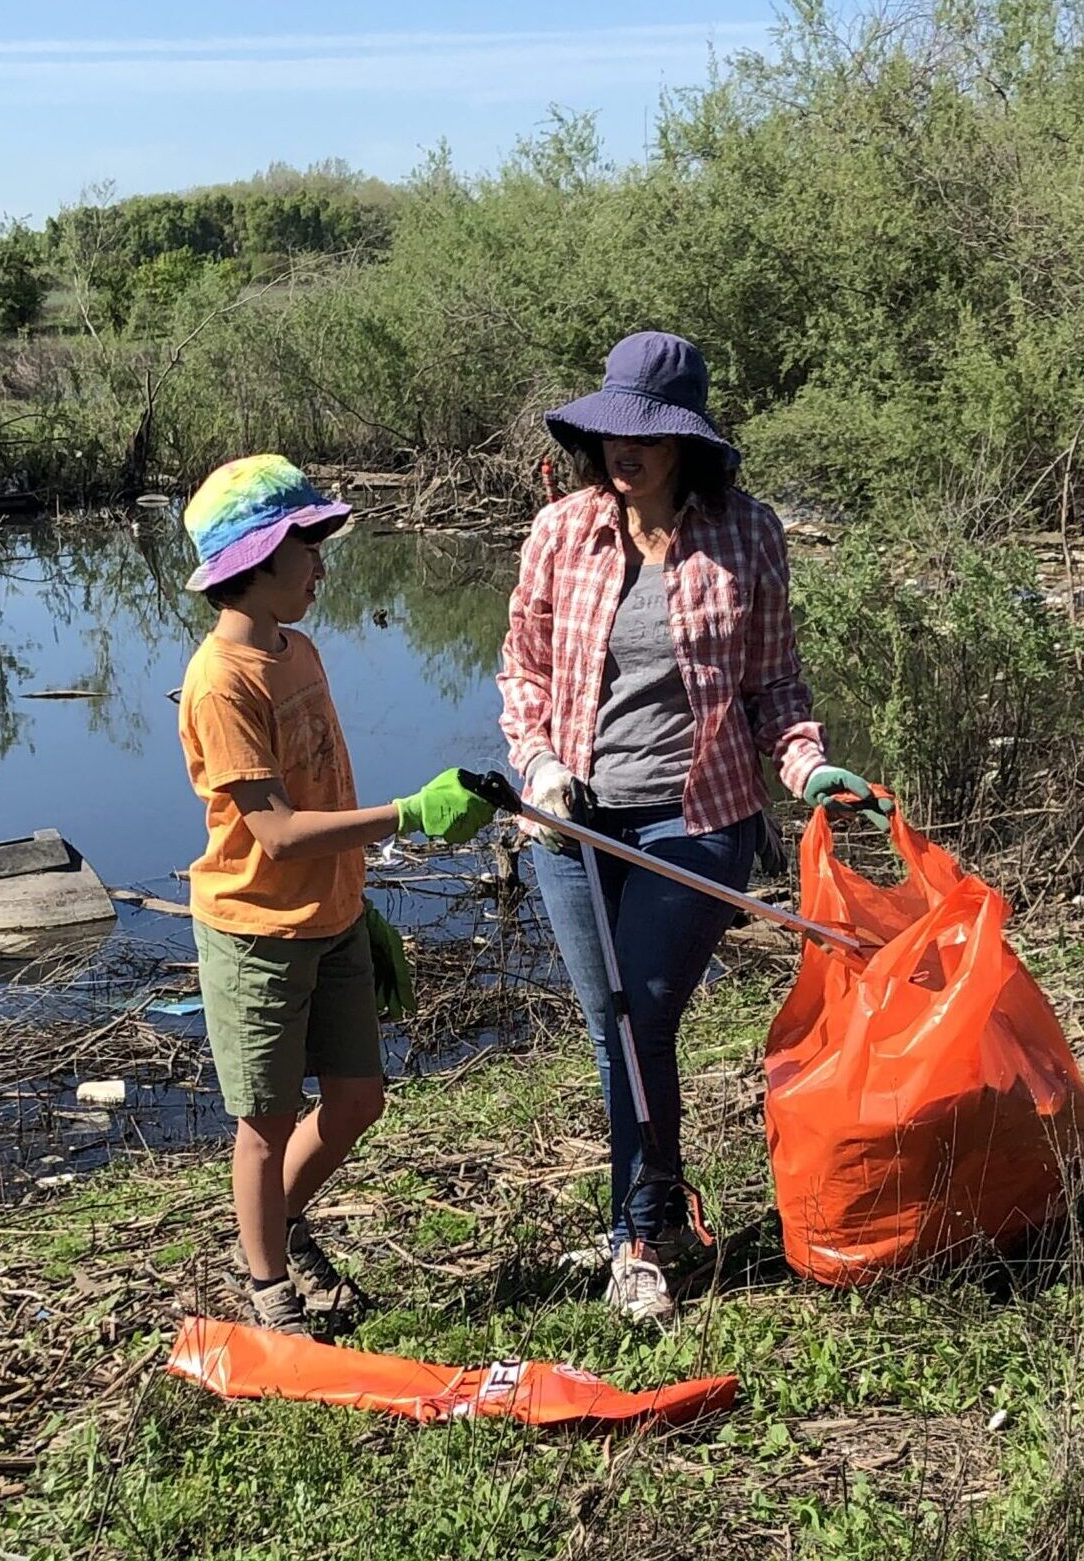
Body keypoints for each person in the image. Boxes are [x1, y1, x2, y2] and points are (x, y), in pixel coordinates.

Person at [498, 333, 890, 1323]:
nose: (622, 450)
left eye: (646, 435)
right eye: (610, 431)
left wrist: (808, 766)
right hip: (573, 821)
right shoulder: (561, 531)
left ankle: (636, 1239)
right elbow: (524, 673)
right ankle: (659, 1205)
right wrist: (540, 768)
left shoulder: (748, 533)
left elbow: (774, 685)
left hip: (698, 814)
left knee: (642, 1015)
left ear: (686, 445)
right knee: (613, 1027)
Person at [177, 453, 495, 1334]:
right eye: (307, 549)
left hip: (334, 916)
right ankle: (268, 1286)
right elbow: (274, 833)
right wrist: (409, 815)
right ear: (255, 562)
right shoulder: (221, 682)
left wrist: (360, 895)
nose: (321, 566)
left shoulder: (299, 648)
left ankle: (273, 1226)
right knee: (266, 1123)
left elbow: (325, 795)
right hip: (257, 931)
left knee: (357, 1099)